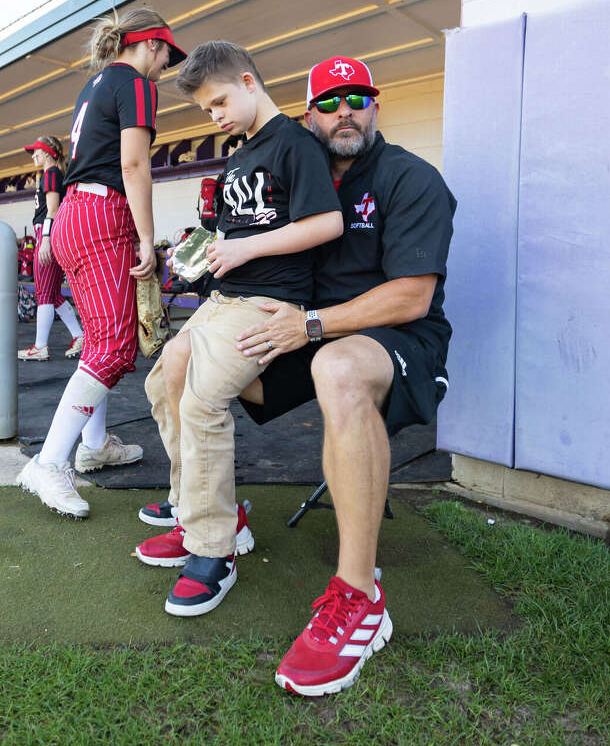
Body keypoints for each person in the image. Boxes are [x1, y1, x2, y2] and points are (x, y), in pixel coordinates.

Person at [140, 56, 455, 695]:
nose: (345, 113)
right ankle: (214, 522)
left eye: (358, 100)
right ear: (309, 114)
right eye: (331, 102)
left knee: (337, 369)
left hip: (389, 339)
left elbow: (411, 299)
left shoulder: (409, 178)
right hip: (299, 328)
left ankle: (359, 595)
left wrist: (310, 326)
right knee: (180, 364)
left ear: (376, 107)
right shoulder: (289, 166)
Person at [137, 41, 343, 618]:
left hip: (269, 302)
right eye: (207, 111)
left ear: (250, 82)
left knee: (203, 402)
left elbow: (327, 222)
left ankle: (214, 548)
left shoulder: (295, 144)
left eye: (222, 101)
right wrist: (188, 259)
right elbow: (224, 234)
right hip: (222, 297)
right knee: (164, 382)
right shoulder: (239, 153)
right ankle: (197, 511)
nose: (217, 115)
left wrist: (242, 247)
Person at [15, 7, 186, 519]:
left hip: (73, 213)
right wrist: (148, 236)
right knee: (112, 345)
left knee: (98, 339)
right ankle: (48, 462)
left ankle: (93, 445)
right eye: (165, 54)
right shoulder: (134, 83)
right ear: (150, 45)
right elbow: (133, 164)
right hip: (101, 213)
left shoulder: (96, 84)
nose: (165, 65)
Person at [17, 135, 84, 360]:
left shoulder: (52, 173)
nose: (34, 155)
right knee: (52, 293)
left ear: (47, 153)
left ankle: (40, 346)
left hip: (48, 234)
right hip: (47, 233)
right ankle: (79, 335)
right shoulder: (48, 175)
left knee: (44, 292)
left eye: (36, 151)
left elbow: (53, 210)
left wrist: (45, 238)